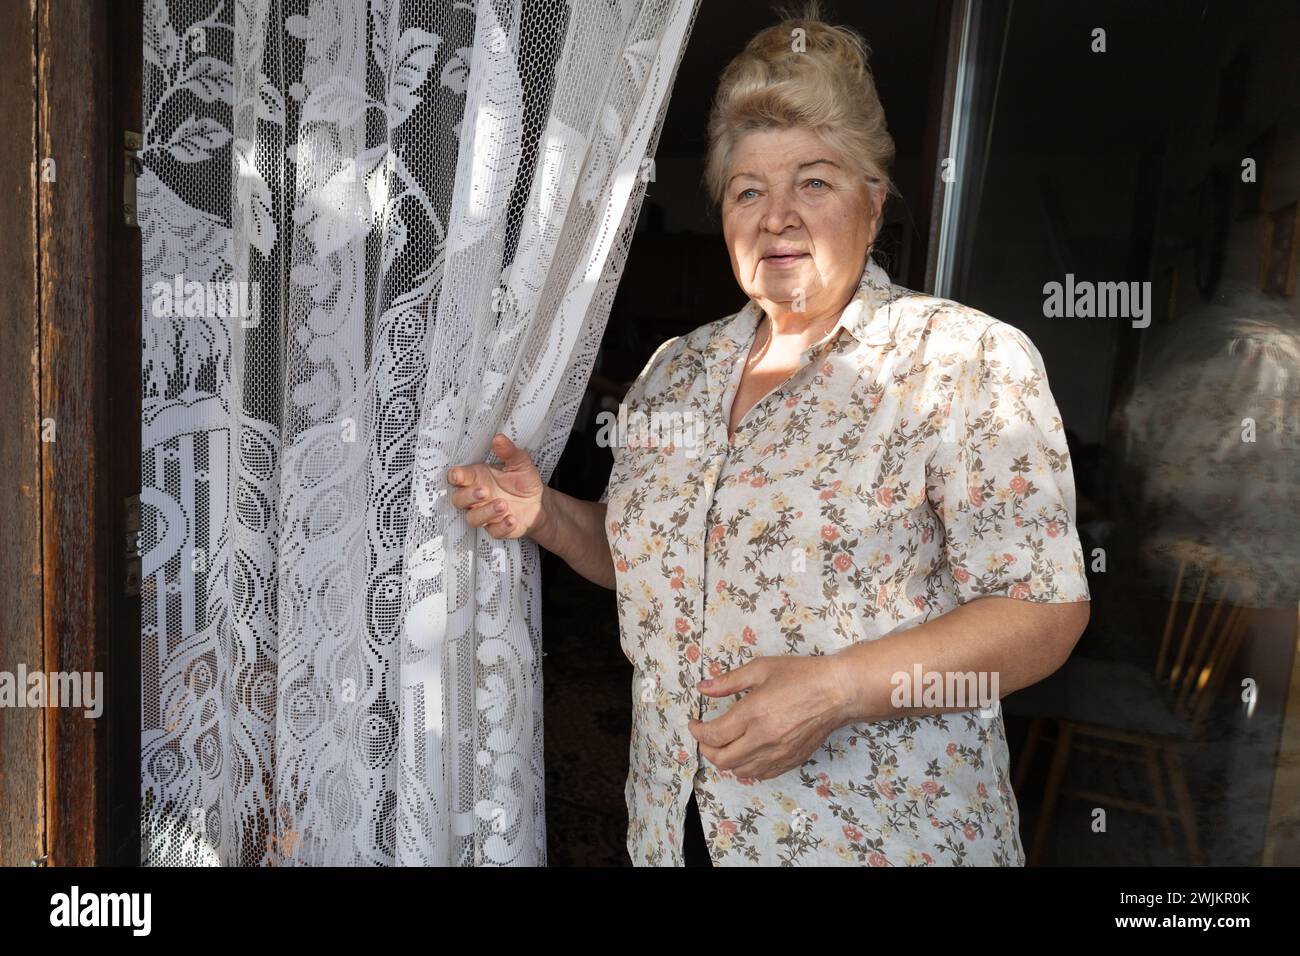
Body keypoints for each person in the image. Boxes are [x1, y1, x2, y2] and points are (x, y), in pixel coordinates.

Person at [447, 5, 1089, 866]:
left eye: (814, 182)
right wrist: (550, 518)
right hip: (677, 819)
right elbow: (650, 564)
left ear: (873, 201)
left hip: (876, 833)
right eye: (749, 189)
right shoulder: (677, 368)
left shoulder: (965, 359)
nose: (777, 216)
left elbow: (1045, 615)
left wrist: (837, 689)